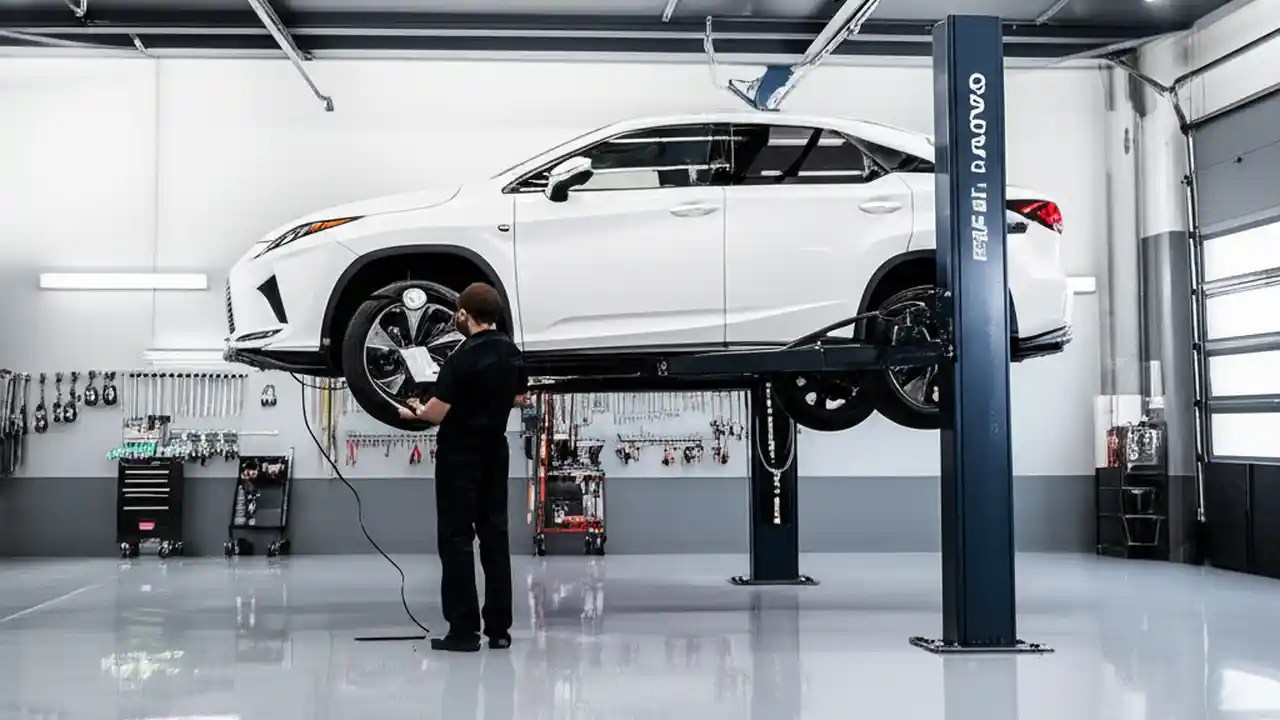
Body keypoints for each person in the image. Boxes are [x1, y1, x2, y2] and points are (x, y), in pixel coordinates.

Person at [399, 282, 527, 652]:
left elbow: (437, 413)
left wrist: (414, 411)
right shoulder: (512, 353)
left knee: (456, 540)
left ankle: (463, 631)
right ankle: (500, 630)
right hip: (495, 449)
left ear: (464, 315)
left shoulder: (461, 357)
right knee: (495, 537)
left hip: (459, 453)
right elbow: (519, 396)